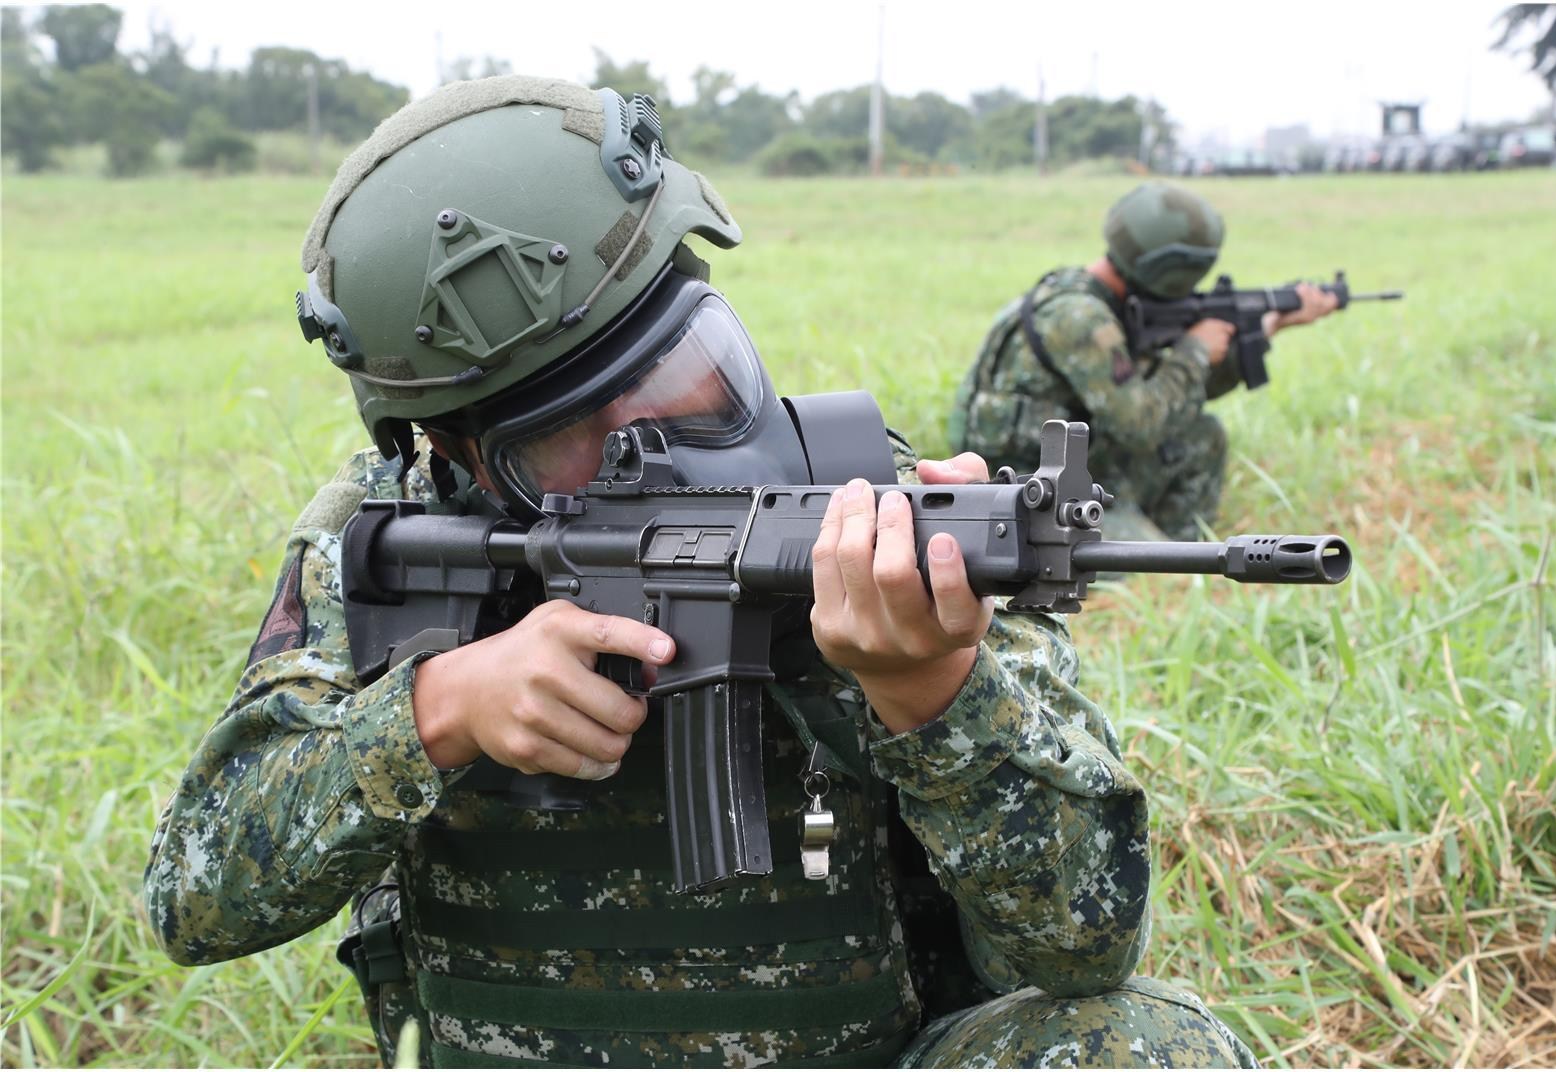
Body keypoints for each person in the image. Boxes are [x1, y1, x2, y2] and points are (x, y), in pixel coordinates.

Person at [144, 76, 1258, 1068]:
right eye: (570, 437)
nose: (660, 439)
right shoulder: (387, 536)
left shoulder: (879, 512)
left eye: (692, 368)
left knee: (1146, 1046)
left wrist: (934, 696)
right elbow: (195, 897)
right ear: (455, 455)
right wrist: (437, 711)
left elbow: (1083, 945)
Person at [948, 181, 1339, 542]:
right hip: (1021, 486)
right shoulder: (1082, 318)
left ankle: (1179, 537)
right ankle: (1160, 548)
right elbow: (1141, 424)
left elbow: (1169, 398)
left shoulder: (1101, 299)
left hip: (1071, 462)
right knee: (1146, 560)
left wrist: (1265, 329)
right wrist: (1194, 351)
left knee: (1202, 436)